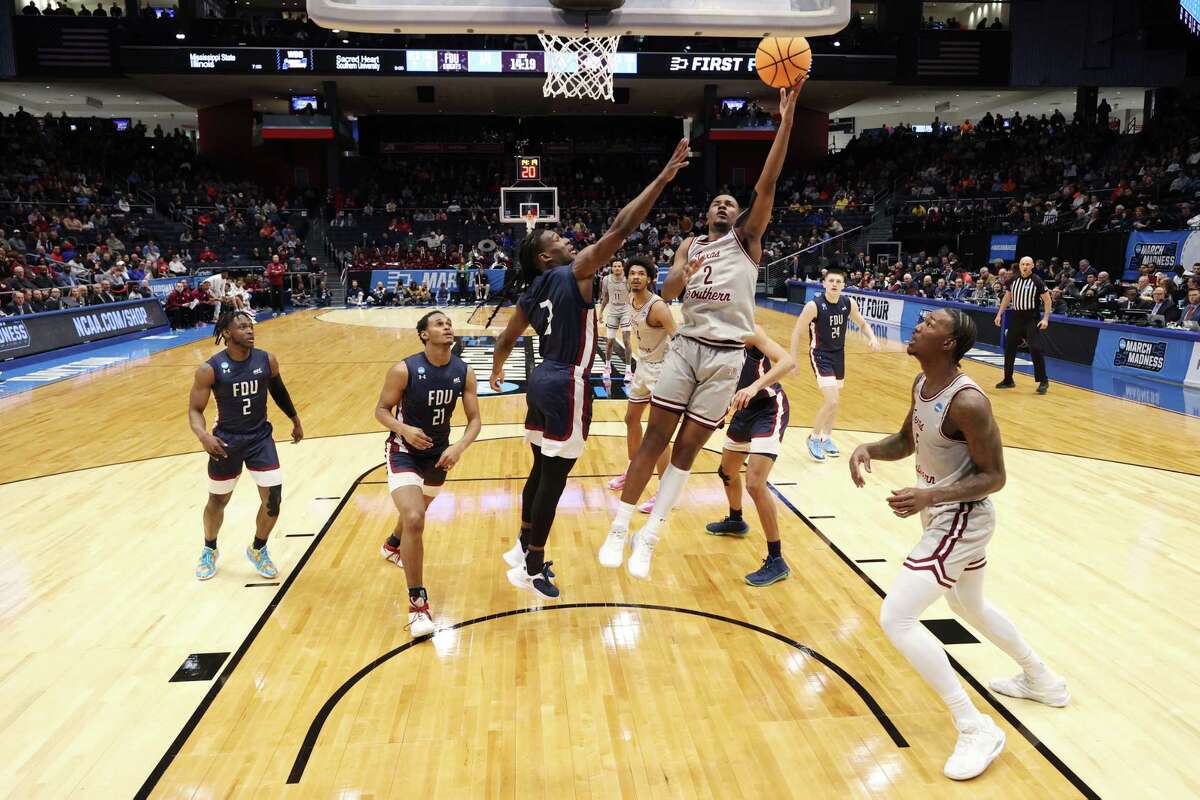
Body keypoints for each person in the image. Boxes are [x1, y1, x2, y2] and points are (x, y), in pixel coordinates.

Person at [848, 308, 1068, 781]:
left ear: (948, 343)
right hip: (942, 511)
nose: (920, 324)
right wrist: (869, 448)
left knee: (897, 617)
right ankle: (1043, 680)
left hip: (962, 516)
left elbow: (995, 477)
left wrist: (931, 495)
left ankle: (974, 726)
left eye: (931, 323)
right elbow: (907, 441)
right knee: (969, 604)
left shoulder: (968, 402)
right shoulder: (920, 384)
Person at [599, 85, 800, 581]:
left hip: (726, 358)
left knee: (687, 452)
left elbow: (768, 184)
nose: (725, 206)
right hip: (687, 349)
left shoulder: (747, 241)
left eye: (731, 202)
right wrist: (681, 273)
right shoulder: (690, 245)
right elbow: (667, 289)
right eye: (717, 202)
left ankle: (651, 536)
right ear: (706, 214)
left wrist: (787, 122)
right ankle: (620, 526)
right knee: (654, 439)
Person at [491, 137, 692, 599]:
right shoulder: (574, 271)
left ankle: (524, 547)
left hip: (540, 379)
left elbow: (505, 339)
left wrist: (500, 370)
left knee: (540, 470)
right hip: (566, 384)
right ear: (547, 255)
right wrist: (662, 178)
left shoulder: (533, 288)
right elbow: (621, 228)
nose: (567, 240)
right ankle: (534, 566)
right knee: (554, 479)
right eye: (558, 239)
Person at [375, 311, 481, 638]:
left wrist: (459, 446)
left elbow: (475, 420)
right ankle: (418, 604)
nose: (447, 327)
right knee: (415, 516)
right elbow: (381, 410)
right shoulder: (403, 369)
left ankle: (393, 544)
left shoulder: (463, 371)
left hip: (439, 455)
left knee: (415, 516)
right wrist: (403, 428)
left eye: (448, 323)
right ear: (424, 335)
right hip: (404, 451)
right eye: (438, 324)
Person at [189, 309, 304, 581]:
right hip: (226, 441)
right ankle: (209, 549)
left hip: (260, 438)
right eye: (242, 327)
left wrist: (295, 419)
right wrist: (204, 436)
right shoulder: (210, 369)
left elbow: (279, 391)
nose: (250, 330)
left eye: (250, 326)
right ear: (228, 333)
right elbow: (195, 410)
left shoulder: (267, 360)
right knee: (218, 500)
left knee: (273, 499)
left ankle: (258, 548)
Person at [705, 325, 796, 586]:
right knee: (726, 472)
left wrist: (755, 386)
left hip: (768, 408)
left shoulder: (749, 331)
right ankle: (736, 520)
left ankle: (776, 559)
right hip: (741, 411)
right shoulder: (710, 336)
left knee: (755, 483)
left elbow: (787, 361)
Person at [789, 266, 879, 462]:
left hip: (839, 355)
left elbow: (862, 323)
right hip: (820, 355)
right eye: (831, 281)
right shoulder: (813, 306)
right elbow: (797, 332)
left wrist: (872, 337)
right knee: (832, 400)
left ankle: (827, 437)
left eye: (838, 282)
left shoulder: (848, 303)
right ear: (824, 284)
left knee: (835, 399)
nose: (835, 284)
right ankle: (813, 437)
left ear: (844, 285)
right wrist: (792, 359)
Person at [608, 256, 676, 513]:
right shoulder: (629, 300)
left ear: (650, 278)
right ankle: (632, 468)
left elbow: (677, 338)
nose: (635, 277)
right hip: (643, 366)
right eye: (632, 273)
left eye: (641, 274)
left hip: (662, 371)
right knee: (630, 418)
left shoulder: (657, 307)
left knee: (657, 433)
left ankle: (665, 490)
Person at [994, 256, 1052, 394]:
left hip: (1031, 318)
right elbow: (1007, 297)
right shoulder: (1013, 280)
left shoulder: (1037, 280)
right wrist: (999, 313)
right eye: (1022, 264)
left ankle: (1043, 381)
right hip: (1016, 317)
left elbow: (1047, 300)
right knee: (1009, 349)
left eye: (1027, 264)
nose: (1025, 266)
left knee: (1035, 348)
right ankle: (1008, 379)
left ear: (1032, 266)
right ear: (1019, 266)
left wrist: (1045, 318)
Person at [599, 260, 634, 383]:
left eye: (619, 266)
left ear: (622, 268)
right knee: (609, 342)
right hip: (612, 313)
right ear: (611, 268)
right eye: (615, 266)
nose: (617, 268)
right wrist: (601, 312)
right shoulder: (606, 280)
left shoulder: (628, 280)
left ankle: (628, 370)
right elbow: (606, 297)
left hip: (625, 312)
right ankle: (607, 367)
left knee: (626, 340)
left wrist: (635, 312)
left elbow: (634, 296)